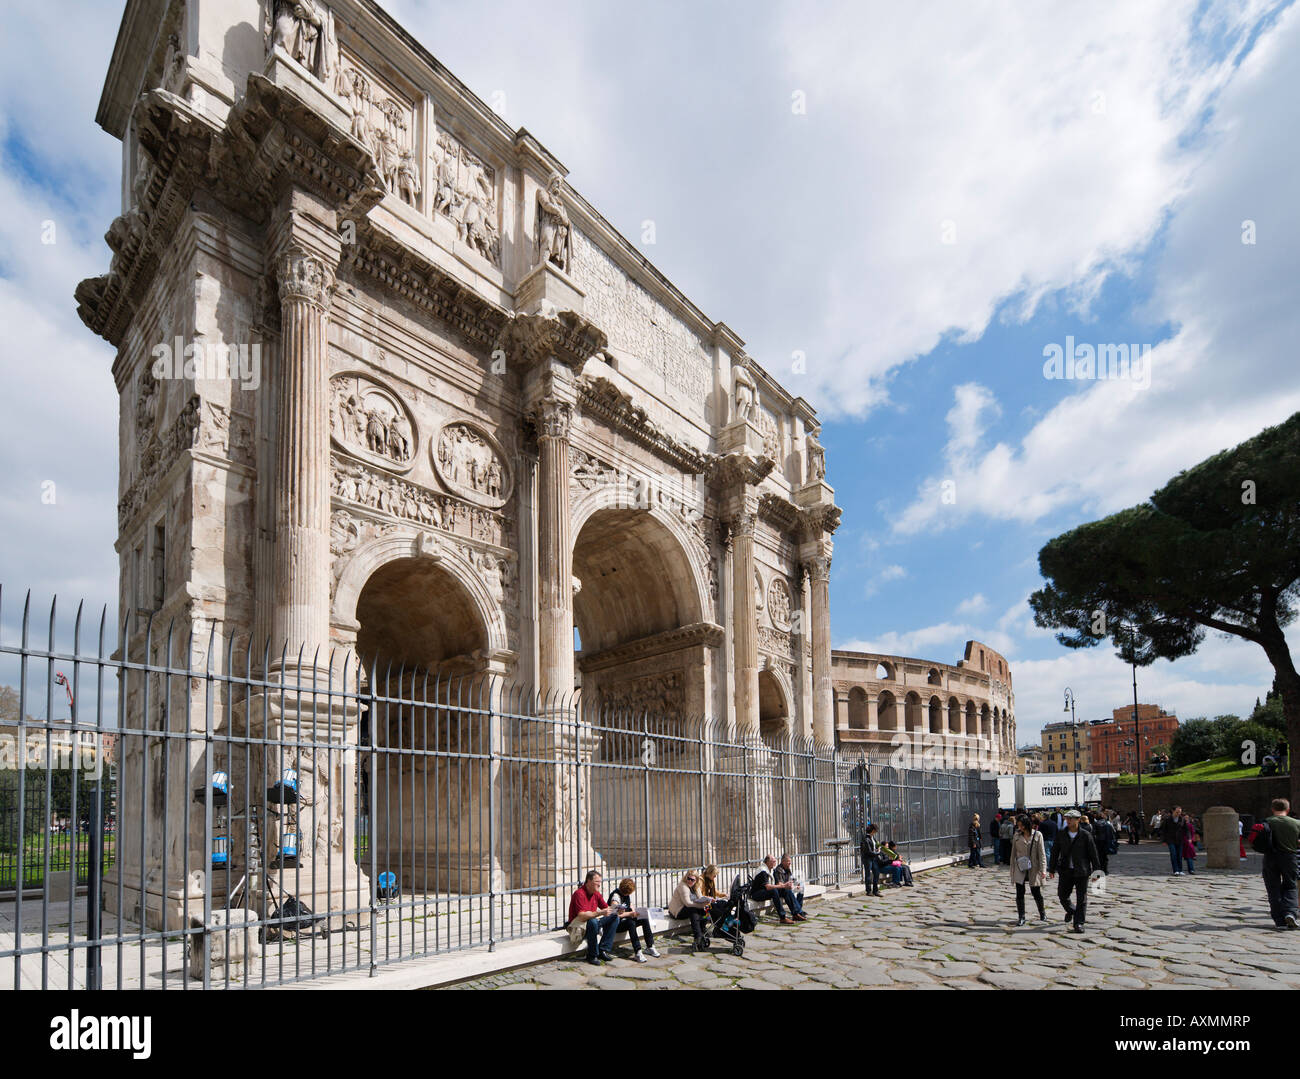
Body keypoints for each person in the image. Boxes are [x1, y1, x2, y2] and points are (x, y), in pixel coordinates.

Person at [1048, 809, 1100, 934]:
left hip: (1082, 870)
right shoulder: (1061, 834)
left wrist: (1097, 872)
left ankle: (1079, 923)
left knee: (1081, 898)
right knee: (1062, 895)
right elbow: (1055, 851)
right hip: (1066, 870)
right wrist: (1052, 868)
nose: (1068, 820)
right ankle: (1072, 911)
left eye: (1071, 818)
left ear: (1078, 820)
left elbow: (1093, 854)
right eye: (1067, 818)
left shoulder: (1085, 835)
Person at [1258, 798, 1299, 931]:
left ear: (1272, 809)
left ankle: (1279, 920)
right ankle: (1290, 913)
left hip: (1270, 857)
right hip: (1289, 857)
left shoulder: (1267, 821)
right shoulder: (1296, 823)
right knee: (1291, 885)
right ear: (1287, 809)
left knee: (1273, 888)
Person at [567, 869, 621, 965]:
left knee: (614, 917)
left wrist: (617, 909)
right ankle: (592, 955)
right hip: (580, 927)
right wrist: (600, 913)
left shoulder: (596, 894)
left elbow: (606, 908)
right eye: (596, 882)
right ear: (588, 881)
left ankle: (603, 950)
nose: (599, 884)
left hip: (592, 923)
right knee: (592, 921)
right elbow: (582, 916)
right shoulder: (579, 894)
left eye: (600, 882)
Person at [608, 877, 661, 963]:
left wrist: (636, 912)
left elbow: (631, 906)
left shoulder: (627, 895)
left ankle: (650, 946)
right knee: (631, 923)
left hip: (627, 919)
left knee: (644, 919)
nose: (627, 895)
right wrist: (630, 914)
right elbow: (615, 914)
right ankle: (638, 951)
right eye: (626, 893)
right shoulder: (615, 897)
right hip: (617, 924)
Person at [1010, 813, 1048, 926]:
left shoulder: (1038, 835)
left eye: (1021, 825)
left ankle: (1042, 913)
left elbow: (1042, 854)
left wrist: (1043, 869)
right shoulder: (1016, 836)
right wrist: (1012, 868)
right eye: (1018, 825)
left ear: (1027, 824)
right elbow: (1013, 853)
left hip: (1034, 868)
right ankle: (1021, 917)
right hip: (1020, 867)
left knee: (1036, 892)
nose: (1019, 827)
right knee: (1019, 892)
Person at [668, 870, 714, 950]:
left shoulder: (696, 887)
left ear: (696, 880)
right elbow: (687, 903)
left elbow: (700, 898)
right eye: (688, 878)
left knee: (705, 910)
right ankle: (698, 937)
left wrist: (707, 900)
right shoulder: (683, 886)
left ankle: (702, 931)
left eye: (692, 880)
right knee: (693, 911)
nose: (689, 881)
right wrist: (701, 905)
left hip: (689, 908)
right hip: (677, 910)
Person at [752, 854, 800, 924]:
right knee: (774, 891)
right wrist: (783, 886)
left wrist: (784, 886)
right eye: (773, 861)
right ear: (768, 862)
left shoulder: (768, 869)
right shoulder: (763, 871)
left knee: (786, 890)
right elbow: (768, 887)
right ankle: (782, 917)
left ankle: (795, 913)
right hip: (756, 893)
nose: (775, 863)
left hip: (764, 891)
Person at [773, 854, 808, 919]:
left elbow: (792, 879)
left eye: (790, 861)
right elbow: (779, 883)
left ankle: (799, 910)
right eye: (788, 861)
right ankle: (798, 912)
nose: (790, 863)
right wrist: (789, 885)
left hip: (788, 886)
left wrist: (796, 885)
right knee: (788, 891)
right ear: (783, 861)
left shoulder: (788, 869)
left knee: (801, 887)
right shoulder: (778, 870)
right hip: (781, 889)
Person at [1161, 806, 1185, 875]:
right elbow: (1164, 830)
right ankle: (1176, 870)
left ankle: (1180, 870)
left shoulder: (1182, 819)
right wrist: (1164, 840)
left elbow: (1185, 829)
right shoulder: (1168, 819)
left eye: (1180, 812)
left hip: (1180, 840)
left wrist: (1188, 838)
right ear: (1173, 811)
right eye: (1177, 812)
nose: (1178, 813)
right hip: (1171, 840)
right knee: (1173, 854)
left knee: (1179, 855)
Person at [861, 823, 884, 896]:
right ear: (873, 830)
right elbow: (868, 851)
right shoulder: (866, 839)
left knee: (876, 873)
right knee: (868, 874)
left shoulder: (872, 838)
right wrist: (877, 853)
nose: (875, 832)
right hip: (867, 858)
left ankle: (875, 890)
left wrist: (877, 849)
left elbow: (874, 847)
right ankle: (868, 891)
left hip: (873, 858)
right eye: (875, 831)